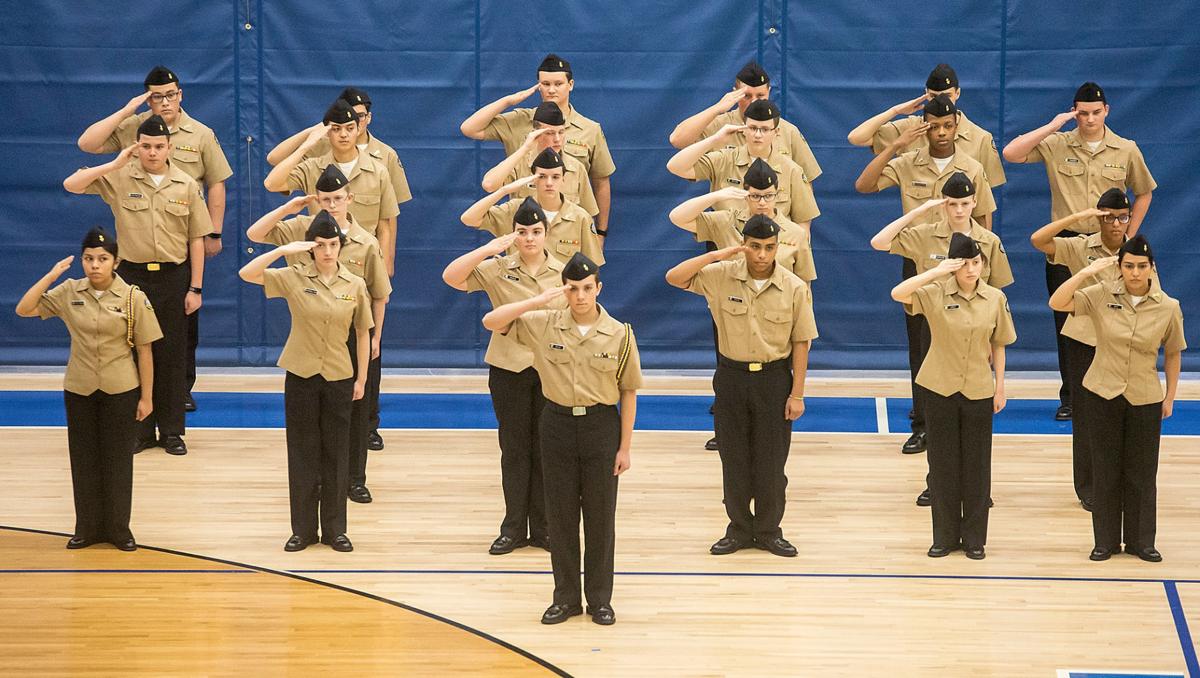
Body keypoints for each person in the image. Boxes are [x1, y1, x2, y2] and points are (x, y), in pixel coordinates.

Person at [482, 252, 641, 627]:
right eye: (572, 289)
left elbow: (629, 391)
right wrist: (537, 300)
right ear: (563, 290)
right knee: (561, 518)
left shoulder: (620, 333)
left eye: (586, 288)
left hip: (601, 427)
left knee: (600, 519)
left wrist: (625, 447)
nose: (580, 296)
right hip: (556, 425)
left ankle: (599, 600)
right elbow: (493, 321)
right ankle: (566, 598)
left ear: (598, 288)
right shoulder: (544, 324)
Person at [76, 65, 232, 414]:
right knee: (133, 327)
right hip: (140, 234)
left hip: (184, 232)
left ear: (181, 95)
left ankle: (180, 390)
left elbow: (216, 183)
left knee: (182, 323)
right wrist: (127, 110)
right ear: (148, 99)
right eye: (156, 96)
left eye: (170, 95)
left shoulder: (201, 134)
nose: (164, 102)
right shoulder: (134, 128)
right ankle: (137, 394)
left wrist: (214, 231)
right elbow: (87, 144)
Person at [665, 215, 818, 558]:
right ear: (743, 245)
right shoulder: (721, 275)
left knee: (771, 462)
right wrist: (715, 255)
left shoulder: (793, 287)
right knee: (733, 458)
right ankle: (738, 529)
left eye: (769, 247)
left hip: (773, 380)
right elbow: (674, 277)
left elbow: (801, 343)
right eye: (754, 246)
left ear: (777, 248)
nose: (762, 254)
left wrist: (797, 394)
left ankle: (768, 530)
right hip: (731, 377)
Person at [1004, 81, 1156, 421]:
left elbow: (1144, 191)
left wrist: (1129, 234)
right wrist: (1053, 125)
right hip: (1068, 245)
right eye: (1083, 113)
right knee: (1067, 322)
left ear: (1107, 111)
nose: (1089, 119)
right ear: (1074, 112)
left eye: (1096, 112)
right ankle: (1071, 396)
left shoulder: (1125, 149)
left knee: (1114, 319)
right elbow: (1011, 153)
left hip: (1109, 244)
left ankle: (1113, 391)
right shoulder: (1058, 143)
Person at [855, 95, 996, 457]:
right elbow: (864, 185)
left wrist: (982, 271)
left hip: (966, 268)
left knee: (964, 345)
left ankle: (962, 419)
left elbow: (984, 219)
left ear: (956, 126)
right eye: (934, 126)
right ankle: (922, 425)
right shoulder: (908, 162)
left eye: (948, 126)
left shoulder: (971, 167)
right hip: (921, 263)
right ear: (925, 127)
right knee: (921, 349)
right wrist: (896, 146)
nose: (942, 132)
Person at [63, 115, 212, 456]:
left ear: (169, 147)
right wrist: (113, 163)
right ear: (137, 147)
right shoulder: (119, 176)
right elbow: (71, 184)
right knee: (130, 352)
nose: (152, 152)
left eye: (159, 146)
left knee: (172, 354)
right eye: (146, 146)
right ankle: (139, 430)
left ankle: (172, 431)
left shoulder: (186, 184)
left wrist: (196, 288)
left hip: (174, 277)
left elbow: (196, 239)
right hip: (132, 278)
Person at [248, 165, 391, 504]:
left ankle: (354, 479)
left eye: (337, 198)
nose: (331, 205)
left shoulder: (366, 242)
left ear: (349, 198)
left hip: (353, 331)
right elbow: (255, 234)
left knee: (357, 410)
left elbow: (379, 294)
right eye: (325, 199)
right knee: (313, 415)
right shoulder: (303, 230)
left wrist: (375, 338)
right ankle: (317, 481)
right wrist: (289, 207)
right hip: (314, 334)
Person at [870, 172, 1012, 505]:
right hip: (934, 325)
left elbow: (998, 292)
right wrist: (921, 210)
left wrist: (990, 345)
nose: (959, 210)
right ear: (943, 204)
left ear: (975, 202)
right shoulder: (925, 234)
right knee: (938, 411)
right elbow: (879, 242)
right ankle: (937, 483)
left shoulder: (989, 241)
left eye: (964, 203)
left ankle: (976, 490)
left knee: (974, 417)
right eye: (952, 204)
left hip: (975, 329)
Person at [15, 228, 162, 551]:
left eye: (103, 259)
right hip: (80, 388)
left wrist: (147, 397)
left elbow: (146, 351)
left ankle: (119, 530)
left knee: (118, 460)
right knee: (83, 460)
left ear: (116, 262)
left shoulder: (132, 297)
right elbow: (24, 309)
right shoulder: (69, 291)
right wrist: (52, 275)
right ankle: (87, 528)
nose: (95, 265)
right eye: (88, 258)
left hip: (120, 388)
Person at [238, 218, 372, 553]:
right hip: (302, 374)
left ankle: (335, 530)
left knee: (337, 454)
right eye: (320, 245)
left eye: (333, 244)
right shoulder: (294, 276)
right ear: (310, 247)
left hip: (339, 375)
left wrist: (362, 378)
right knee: (302, 452)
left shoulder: (355, 284)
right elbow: (247, 274)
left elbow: (362, 333)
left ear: (341, 246)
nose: (327, 251)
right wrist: (282, 250)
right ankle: (303, 530)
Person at [1049, 235, 1185, 563]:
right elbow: (1058, 302)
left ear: (1152, 268)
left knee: (1142, 472)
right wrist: (1087, 272)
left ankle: (1141, 542)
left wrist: (1170, 397)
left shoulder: (1168, 306)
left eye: (1141, 266)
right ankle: (1105, 542)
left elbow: (1173, 353)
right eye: (1129, 266)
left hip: (1145, 396)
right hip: (1103, 393)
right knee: (1105, 470)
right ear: (1119, 267)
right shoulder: (1100, 294)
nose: (1135, 273)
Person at [442, 200, 565, 555]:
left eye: (536, 231)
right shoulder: (498, 268)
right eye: (522, 232)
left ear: (547, 233)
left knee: (546, 449)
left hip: (550, 370)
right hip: (509, 368)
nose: (529, 238)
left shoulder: (562, 271)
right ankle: (512, 528)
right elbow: (451, 277)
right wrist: (488, 248)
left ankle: (543, 528)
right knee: (514, 449)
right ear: (513, 235)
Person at [669, 159, 816, 451]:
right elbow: (677, 217)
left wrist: (805, 330)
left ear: (778, 194)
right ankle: (727, 433)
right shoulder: (726, 220)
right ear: (745, 193)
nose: (762, 202)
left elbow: (804, 282)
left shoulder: (794, 234)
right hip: (732, 312)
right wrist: (718, 195)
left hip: (777, 321)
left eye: (768, 196)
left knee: (772, 398)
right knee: (730, 375)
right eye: (755, 195)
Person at [890, 233, 1016, 560]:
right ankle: (944, 537)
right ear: (953, 266)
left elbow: (1000, 343)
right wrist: (935, 272)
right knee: (942, 465)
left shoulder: (995, 298)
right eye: (964, 264)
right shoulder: (935, 292)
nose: (971, 269)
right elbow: (898, 293)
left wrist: (1000, 386)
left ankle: (974, 539)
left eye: (976, 262)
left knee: (977, 466)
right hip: (939, 387)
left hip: (978, 388)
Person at [1030, 188, 1132, 510]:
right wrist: (1077, 217)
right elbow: (1038, 240)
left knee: (1119, 415)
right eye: (1109, 217)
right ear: (1099, 218)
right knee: (1086, 416)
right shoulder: (1080, 247)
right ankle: (1088, 486)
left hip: (1120, 344)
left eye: (1122, 218)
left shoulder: (1136, 253)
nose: (1116, 224)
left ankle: (1117, 482)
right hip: (1084, 341)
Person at [460, 54, 615, 239]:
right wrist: (508, 101)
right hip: (527, 231)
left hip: (568, 235)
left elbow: (601, 182)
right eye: (545, 84)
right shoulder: (521, 121)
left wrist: (600, 233)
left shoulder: (589, 129)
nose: (551, 90)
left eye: (558, 84)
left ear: (570, 84)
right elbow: (469, 129)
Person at [264, 98, 399, 273]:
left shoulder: (378, 172)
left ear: (358, 129)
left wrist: (384, 269)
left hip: (360, 262)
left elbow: (385, 224)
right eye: (336, 129)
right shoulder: (312, 167)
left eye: (349, 128)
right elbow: (271, 183)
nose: (343, 134)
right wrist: (307, 144)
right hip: (321, 260)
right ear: (327, 132)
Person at [847, 63, 1005, 189]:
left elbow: (985, 200)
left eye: (947, 95)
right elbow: (856, 138)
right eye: (933, 96)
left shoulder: (981, 138)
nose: (940, 101)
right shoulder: (911, 128)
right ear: (926, 94)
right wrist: (895, 111)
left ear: (958, 93)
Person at [667, 99, 820, 228]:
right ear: (744, 129)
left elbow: (803, 224)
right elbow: (675, 167)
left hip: (774, 249)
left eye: (765, 129)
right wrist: (714, 139)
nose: (758, 135)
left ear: (776, 132)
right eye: (752, 128)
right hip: (728, 244)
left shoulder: (792, 170)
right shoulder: (724, 159)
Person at [669, 61, 822, 184]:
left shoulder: (787, 131)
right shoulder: (720, 126)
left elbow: (806, 182)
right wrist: (717, 108)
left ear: (769, 92)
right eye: (747, 96)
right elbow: (677, 140)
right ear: (734, 92)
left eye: (760, 95)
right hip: (730, 211)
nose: (754, 102)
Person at [461, 157, 602, 265]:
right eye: (542, 176)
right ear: (533, 179)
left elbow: (591, 266)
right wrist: (504, 190)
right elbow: (469, 218)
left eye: (555, 177)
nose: (549, 183)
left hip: (560, 292)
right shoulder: (515, 210)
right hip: (521, 290)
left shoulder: (580, 217)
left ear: (564, 179)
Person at [481, 101, 598, 218]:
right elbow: (489, 185)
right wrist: (525, 149)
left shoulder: (576, 168)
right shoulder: (520, 165)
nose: (557, 139)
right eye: (550, 133)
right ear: (535, 134)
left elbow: (588, 216)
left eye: (561, 132)